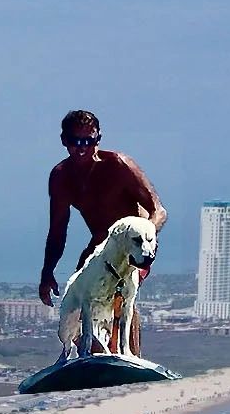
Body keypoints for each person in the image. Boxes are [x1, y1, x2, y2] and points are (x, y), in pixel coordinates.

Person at [38, 109, 167, 306]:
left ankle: (121, 323)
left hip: (135, 246)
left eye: (88, 142)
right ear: (64, 140)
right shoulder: (60, 178)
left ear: (98, 139)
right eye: (75, 141)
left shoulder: (119, 166)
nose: (82, 149)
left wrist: (145, 240)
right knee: (78, 297)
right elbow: (57, 231)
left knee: (114, 297)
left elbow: (158, 211)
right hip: (100, 243)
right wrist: (47, 273)